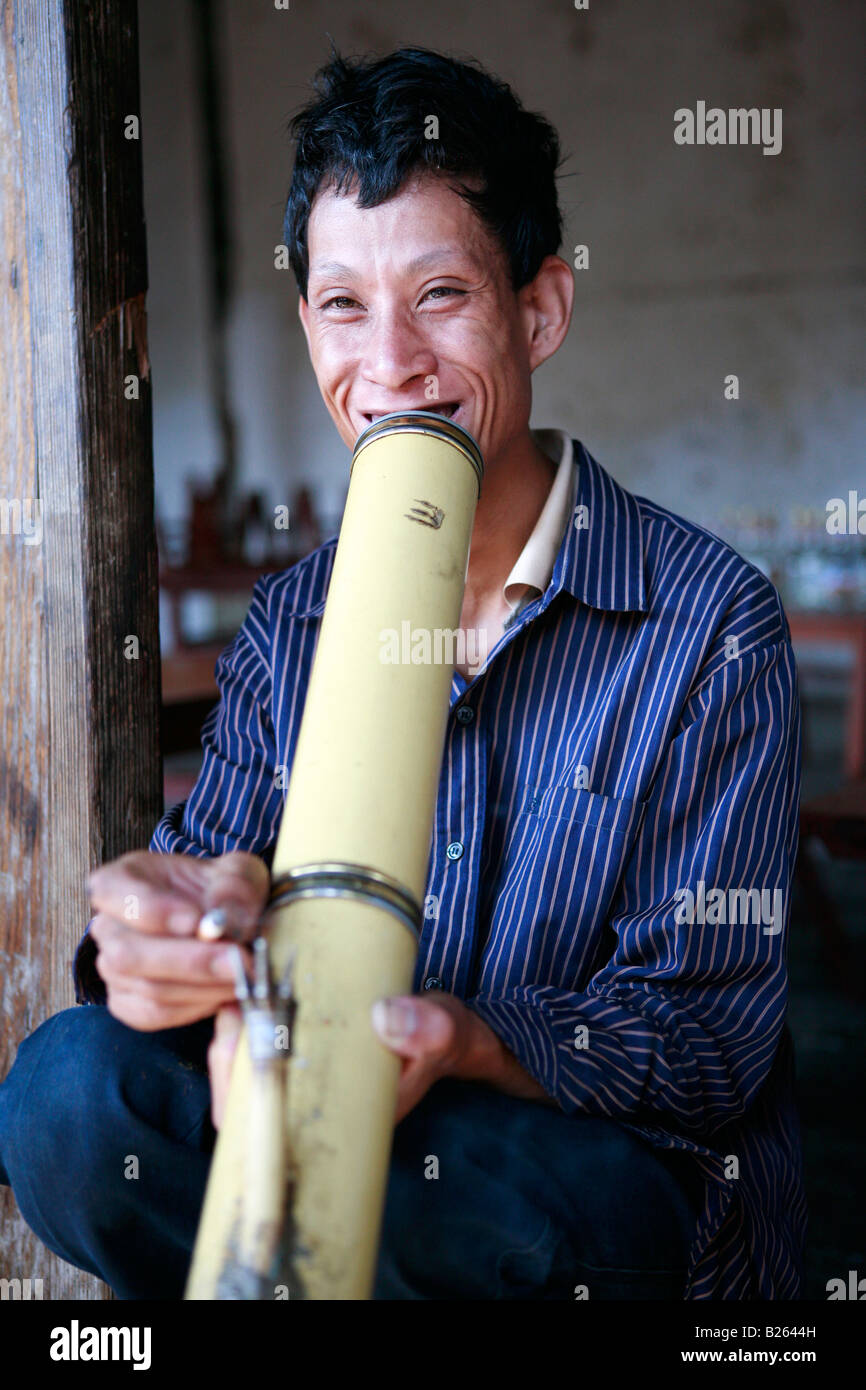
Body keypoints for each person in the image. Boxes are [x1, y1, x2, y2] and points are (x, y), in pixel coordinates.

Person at [0, 46, 805, 1301]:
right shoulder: (295, 618)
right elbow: (215, 881)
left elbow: (712, 1039)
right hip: (333, 1109)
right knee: (65, 1092)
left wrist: (469, 1042)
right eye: (340, 305)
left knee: (479, 1199)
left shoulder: (709, 623)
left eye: (439, 295)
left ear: (537, 310)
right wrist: (175, 944)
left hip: (567, 1170)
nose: (388, 366)